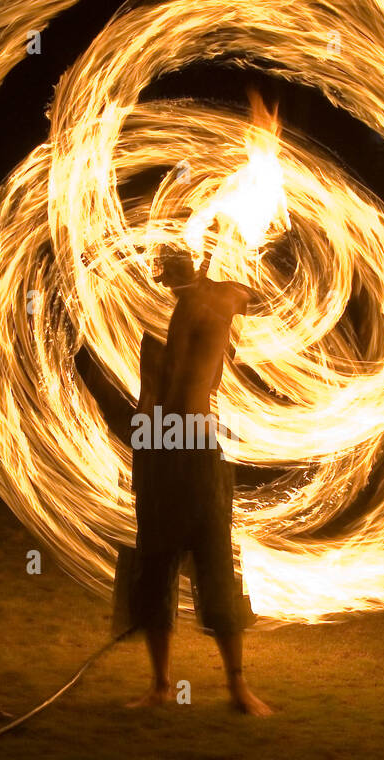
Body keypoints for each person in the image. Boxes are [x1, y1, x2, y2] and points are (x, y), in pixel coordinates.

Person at [114, 243, 272, 715]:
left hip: (198, 448)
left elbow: (264, 299)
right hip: (161, 448)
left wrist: (244, 242)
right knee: (156, 561)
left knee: (214, 560)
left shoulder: (221, 298)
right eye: (166, 273)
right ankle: (161, 685)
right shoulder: (168, 315)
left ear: (195, 263)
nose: (169, 279)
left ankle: (237, 686)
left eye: (175, 268)